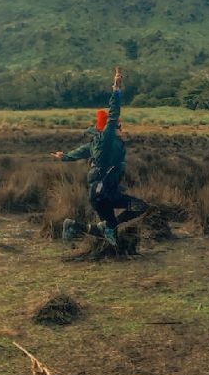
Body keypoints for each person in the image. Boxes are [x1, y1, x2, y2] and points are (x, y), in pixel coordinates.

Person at [51, 66, 148, 246]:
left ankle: (74, 226)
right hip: (105, 192)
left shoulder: (95, 145)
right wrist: (117, 89)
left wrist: (63, 156)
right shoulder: (106, 139)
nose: (122, 129)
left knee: (110, 233)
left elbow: (78, 153)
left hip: (97, 194)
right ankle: (108, 228)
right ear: (111, 129)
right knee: (140, 206)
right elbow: (113, 114)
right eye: (120, 126)